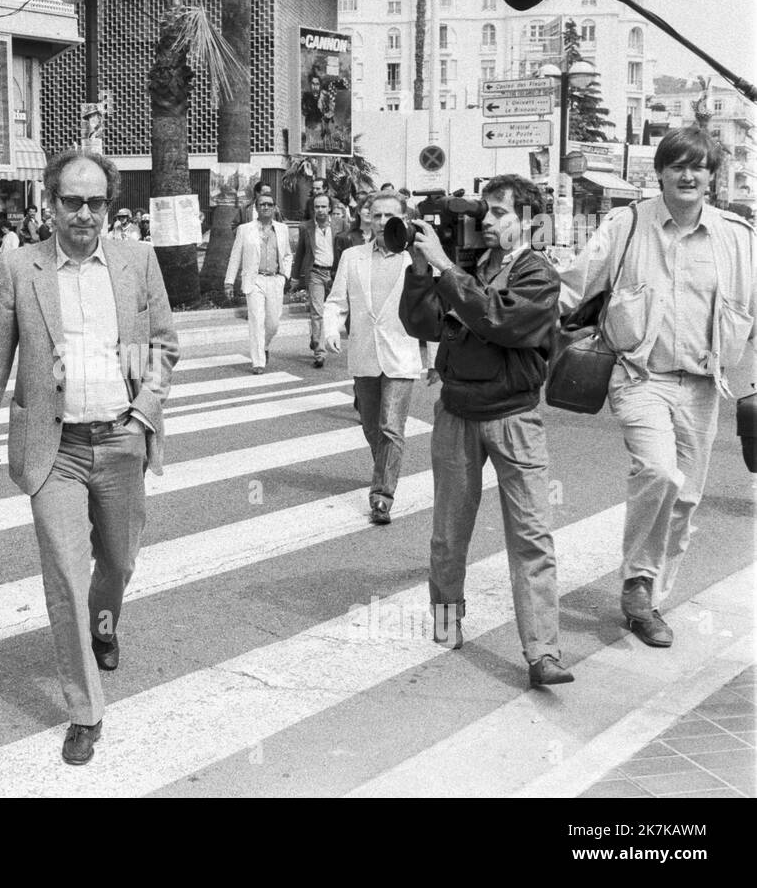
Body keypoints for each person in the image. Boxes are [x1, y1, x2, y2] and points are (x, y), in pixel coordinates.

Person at [0, 150, 179, 766]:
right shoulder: (20, 267)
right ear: (50, 203)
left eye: (96, 202)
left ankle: (105, 623)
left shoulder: (136, 262)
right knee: (63, 576)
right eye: (72, 201)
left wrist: (143, 415)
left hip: (120, 437)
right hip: (54, 450)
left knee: (120, 561)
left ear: (109, 206)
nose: (84, 214)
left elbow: (162, 346)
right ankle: (85, 709)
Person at [558, 126, 757, 648]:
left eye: (697, 167)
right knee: (658, 470)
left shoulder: (737, 236)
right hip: (639, 375)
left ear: (711, 177)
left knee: (687, 497)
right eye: (676, 166)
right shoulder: (626, 224)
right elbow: (572, 283)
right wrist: (499, 318)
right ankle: (638, 586)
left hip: (702, 384)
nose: (687, 175)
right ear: (661, 174)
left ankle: (650, 595)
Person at [399, 173, 574, 688]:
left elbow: (501, 320)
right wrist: (418, 269)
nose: (488, 221)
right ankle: (446, 621)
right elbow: (423, 325)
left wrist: (448, 269)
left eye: (500, 213)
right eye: (486, 212)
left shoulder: (539, 275)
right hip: (456, 414)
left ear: (529, 222)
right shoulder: (470, 268)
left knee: (531, 536)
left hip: (514, 418)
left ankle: (542, 652)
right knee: (449, 534)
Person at [324, 190, 432, 525]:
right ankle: (383, 469)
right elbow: (335, 300)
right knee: (372, 427)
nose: (383, 221)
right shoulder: (352, 256)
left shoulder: (414, 257)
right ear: (367, 217)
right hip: (364, 354)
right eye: (377, 214)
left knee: (390, 427)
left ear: (404, 219)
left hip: (401, 354)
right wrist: (331, 327)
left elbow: (433, 308)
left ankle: (382, 495)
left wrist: (437, 358)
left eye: (391, 216)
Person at [224, 191, 293, 374]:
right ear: (256, 208)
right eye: (262, 204)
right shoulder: (245, 229)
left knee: (273, 323)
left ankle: (264, 346)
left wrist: (285, 275)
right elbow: (235, 256)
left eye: (269, 204)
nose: (266, 207)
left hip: (275, 279)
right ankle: (258, 362)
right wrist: (229, 282)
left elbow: (287, 255)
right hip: (254, 281)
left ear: (274, 208)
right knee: (256, 320)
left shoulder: (282, 229)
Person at [291, 194, 336, 369]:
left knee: (332, 311)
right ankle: (320, 353)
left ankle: (315, 337)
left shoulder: (340, 225)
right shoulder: (306, 227)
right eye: (317, 207)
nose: (320, 210)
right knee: (317, 312)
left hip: (333, 273)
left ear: (329, 208)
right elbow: (300, 253)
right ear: (313, 209)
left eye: (324, 206)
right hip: (315, 272)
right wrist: (295, 277)